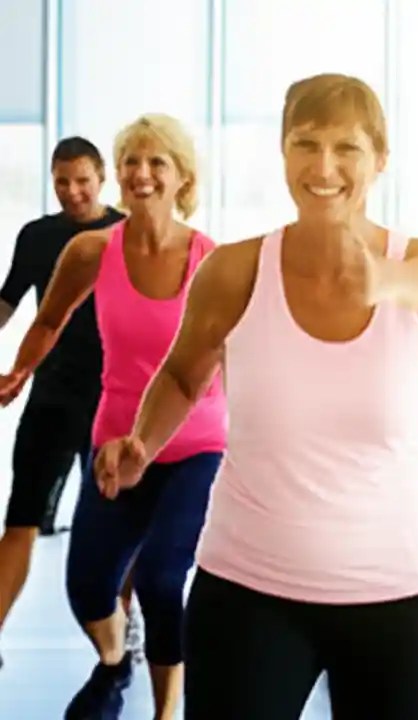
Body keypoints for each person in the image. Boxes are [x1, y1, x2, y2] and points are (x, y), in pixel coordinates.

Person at [93, 74, 418, 719]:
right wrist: (143, 442)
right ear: (284, 153)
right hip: (248, 589)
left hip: (398, 593)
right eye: (306, 144)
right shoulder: (235, 270)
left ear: (379, 159)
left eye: (346, 148)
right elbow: (185, 374)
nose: (324, 167)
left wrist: (381, 280)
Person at [0, 115, 224, 720]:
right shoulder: (92, 250)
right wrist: (20, 371)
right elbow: (47, 321)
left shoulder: (212, 261)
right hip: (114, 442)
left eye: (157, 163)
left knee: (158, 576)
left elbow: (231, 361)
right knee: (89, 587)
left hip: (194, 446)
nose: (141, 174)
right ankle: (115, 662)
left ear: (183, 177)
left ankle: (166, 711)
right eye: (131, 161)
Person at [0, 137, 138, 670]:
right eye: (62, 181)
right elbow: (9, 302)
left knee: (117, 525)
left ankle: (126, 631)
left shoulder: (128, 233)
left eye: (82, 180)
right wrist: (17, 372)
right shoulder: (37, 236)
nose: (73, 191)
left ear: (101, 178)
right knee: (21, 518)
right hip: (52, 397)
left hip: (116, 398)